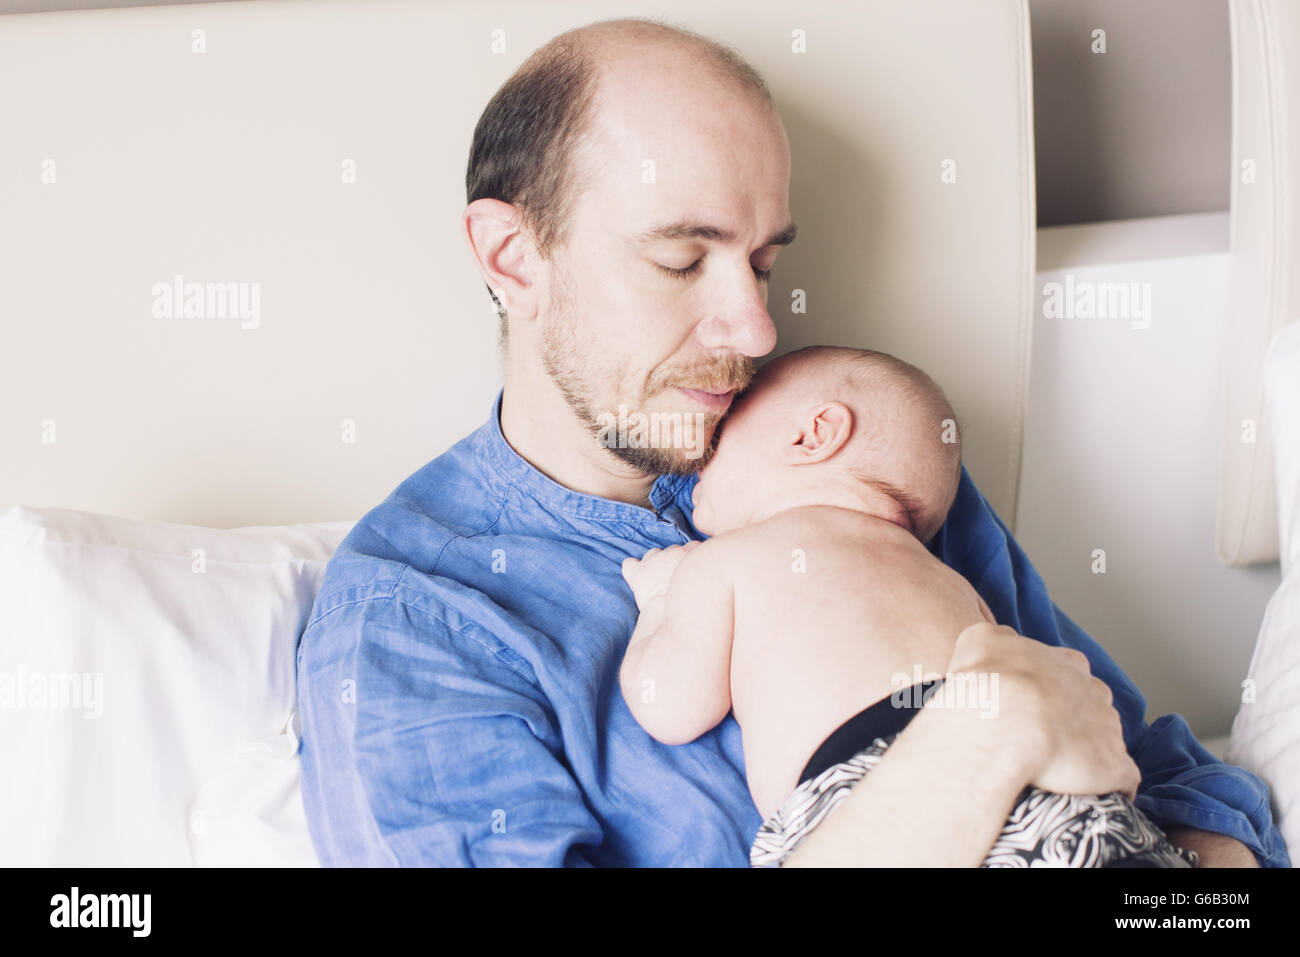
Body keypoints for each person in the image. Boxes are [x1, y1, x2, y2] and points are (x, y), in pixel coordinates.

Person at [294, 17, 1288, 867]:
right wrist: (976, 745)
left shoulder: (847, 454)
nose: (756, 329)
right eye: (682, 261)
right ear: (513, 258)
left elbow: (1179, 790)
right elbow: (1027, 713)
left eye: (762, 263)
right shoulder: (416, 626)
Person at [619, 345, 1197, 867]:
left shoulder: (728, 560)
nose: (699, 460)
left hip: (880, 797)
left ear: (813, 433)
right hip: (1076, 799)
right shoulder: (950, 579)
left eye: (723, 433)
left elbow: (671, 707)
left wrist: (661, 601)